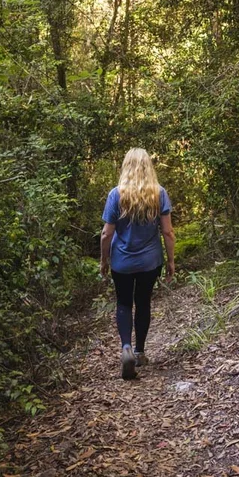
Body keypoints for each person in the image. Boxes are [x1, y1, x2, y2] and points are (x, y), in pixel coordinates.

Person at [100, 148, 176, 380]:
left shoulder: (116, 194)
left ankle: (126, 348)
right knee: (143, 302)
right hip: (149, 261)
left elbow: (106, 234)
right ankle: (141, 351)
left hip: (122, 262)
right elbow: (168, 231)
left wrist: (104, 260)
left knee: (123, 303)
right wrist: (171, 260)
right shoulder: (159, 194)